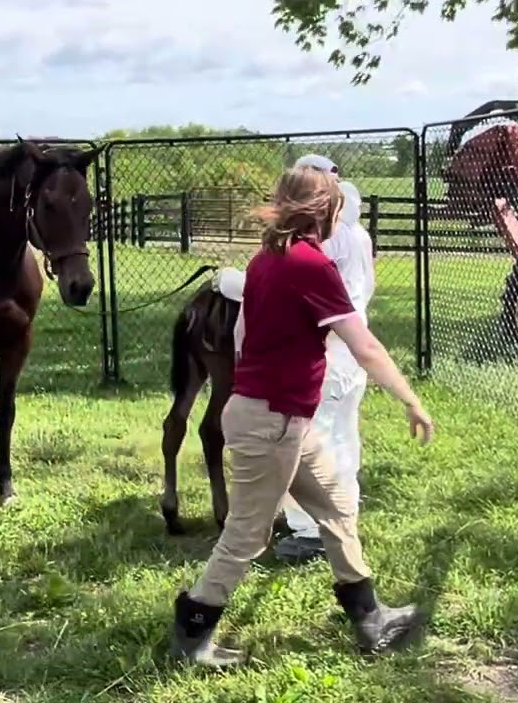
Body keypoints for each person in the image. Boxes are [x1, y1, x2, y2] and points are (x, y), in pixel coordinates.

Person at [171, 164, 434, 668]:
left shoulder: (266, 259)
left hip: (280, 419)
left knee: (336, 503)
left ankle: (369, 617)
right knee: (247, 533)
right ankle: (193, 628)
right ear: (325, 212)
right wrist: (410, 399)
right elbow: (364, 345)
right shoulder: (311, 266)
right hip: (271, 424)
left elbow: (243, 336)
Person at [214, 155, 376, 564]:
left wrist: (227, 280)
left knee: (312, 441)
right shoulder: (357, 233)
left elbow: (274, 289)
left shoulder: (310, 242)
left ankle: (310, 530)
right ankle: (342, 520)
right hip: (351, 354)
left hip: (321, 355)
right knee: (343, 436)